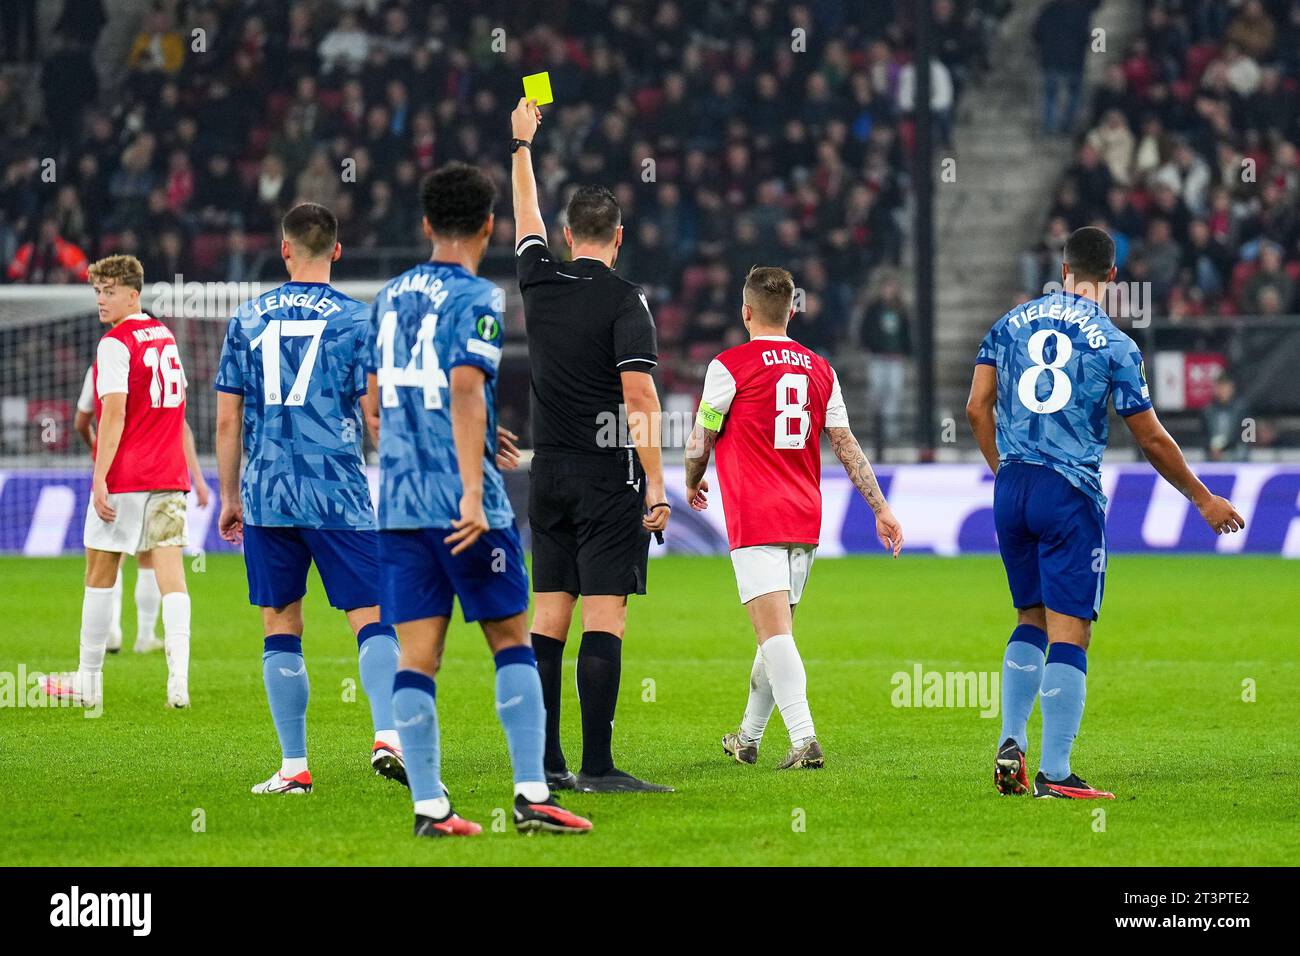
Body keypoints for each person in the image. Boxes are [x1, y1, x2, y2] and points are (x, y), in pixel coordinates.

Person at [966, 226, 1244, 799]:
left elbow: (975, 408)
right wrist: (1202, 497)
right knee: (1071, 631)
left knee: (1028, 618)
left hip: (1013, 488)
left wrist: (1004, 470)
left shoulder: (1008, 323)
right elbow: (1151, 438)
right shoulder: (1116, 344)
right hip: (1068, 494)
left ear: (1063, 270)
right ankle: (1056, 773)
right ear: (1113, 276)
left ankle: (1010, 740)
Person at [362, 161, 590, 837]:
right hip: (466, 508)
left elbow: (374, 406)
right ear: (490, 227)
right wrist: (468, 486)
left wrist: (468, 437)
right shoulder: (479, 298)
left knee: (418, 657)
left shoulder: (387, 297)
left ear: (425, 224)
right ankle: (531, 796)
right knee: (511, 641)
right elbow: (464, 388)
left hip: (399, 504)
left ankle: (430, 807)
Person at [510, 96, 672, 793]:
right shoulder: (626, 301)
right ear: (620, 237)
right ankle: (598, 766)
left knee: (549, 616)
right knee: (606, 613)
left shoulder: (539, 280)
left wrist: (521, 145)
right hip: (608, 477)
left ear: (568, 234)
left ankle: (546, 763)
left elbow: (524, 217)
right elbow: (640, 399)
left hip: (547, 473)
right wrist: (656, 483)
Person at [214, 202, 405, 795]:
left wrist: (229, 496)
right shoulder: (359, 320)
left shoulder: (247, 318)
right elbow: (375, 415)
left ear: (284, 249)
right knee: (372, 616)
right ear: (338, 250)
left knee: (281, 626)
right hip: (337, 491)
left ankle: (294, 766)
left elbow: (226, 421)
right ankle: (388, 735)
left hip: (267, 493)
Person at [684, 266, 904, 769]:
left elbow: (701, 437)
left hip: (756, 517)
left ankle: (805, 740)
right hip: (804, 518)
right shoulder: (820, 369)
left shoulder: (728, 366)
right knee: (776, 635)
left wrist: (692, 479)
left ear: (746, 312)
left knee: (774, 636)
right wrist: (881, 507)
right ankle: (748, 737)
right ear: (791, 312)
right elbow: (845, 444)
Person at [40, 254, 194, 708]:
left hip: (128, 475)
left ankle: (88, 681)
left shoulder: (114, 343)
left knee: (100, 571)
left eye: (109, 291)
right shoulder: (165, 336)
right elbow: (178, 405)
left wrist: (100, 477)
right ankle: (178, 682)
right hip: (169, 474)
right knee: (172, 576)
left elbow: (113, 414)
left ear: (134, 294)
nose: (101, 300)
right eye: (97, 292)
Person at [75, 363, 210, 654]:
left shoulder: (100, 368)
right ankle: (146, 636)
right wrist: (198, 479)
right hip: (158, 476)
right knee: (152, 556)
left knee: (110, 557)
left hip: (117, 475)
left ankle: (112, 631)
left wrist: (96, 447)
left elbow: (82, 421)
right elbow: (181, 428)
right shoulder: (165, 362)